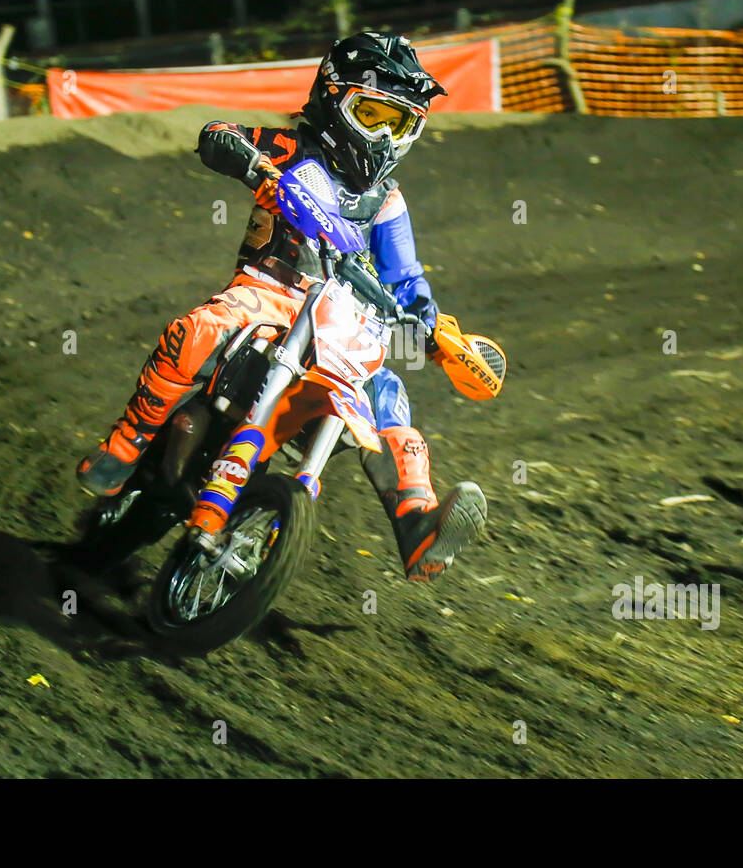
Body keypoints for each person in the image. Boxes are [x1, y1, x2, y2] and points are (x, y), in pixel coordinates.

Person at [77, 32, 486, 582]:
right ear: (332, 97)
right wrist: (255, 168)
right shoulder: (294, 152)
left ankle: (416, 521)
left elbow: (406, 277)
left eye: (401, 124)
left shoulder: (386, 199)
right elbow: (218, 135)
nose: (385, 136)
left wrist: (435, 331)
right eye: (373, 114)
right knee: (196, 330)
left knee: (388, 392)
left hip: (343, 318)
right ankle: (126, 444)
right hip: (269, 292)